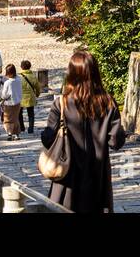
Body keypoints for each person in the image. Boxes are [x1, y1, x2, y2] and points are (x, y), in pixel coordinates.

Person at [42, 49, 126, 212]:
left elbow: (47, 138)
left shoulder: (62, 103)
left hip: (67, 176)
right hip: (96, 177)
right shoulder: (108, 102)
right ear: (95, 73)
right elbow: (116, 141)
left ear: (71, 73)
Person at [0, 64, 23, 140]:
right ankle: (16, 133)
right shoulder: (19, 80)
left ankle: (10, 133)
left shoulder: (7, 83)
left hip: (8, 103)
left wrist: (1, 98)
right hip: (18, 102)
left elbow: (4, 94)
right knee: (16, 118)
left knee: (8, 119)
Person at [19, 60, 40, 134]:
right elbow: (37, 87)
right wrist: (37, 94)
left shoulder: (18, 77)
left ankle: (21, 127)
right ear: (30, 67)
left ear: (21, 67)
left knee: (19, 113)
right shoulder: (33, 76)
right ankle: (30, 129)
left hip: (20, 98)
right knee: (31, 114)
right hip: (30, 97)